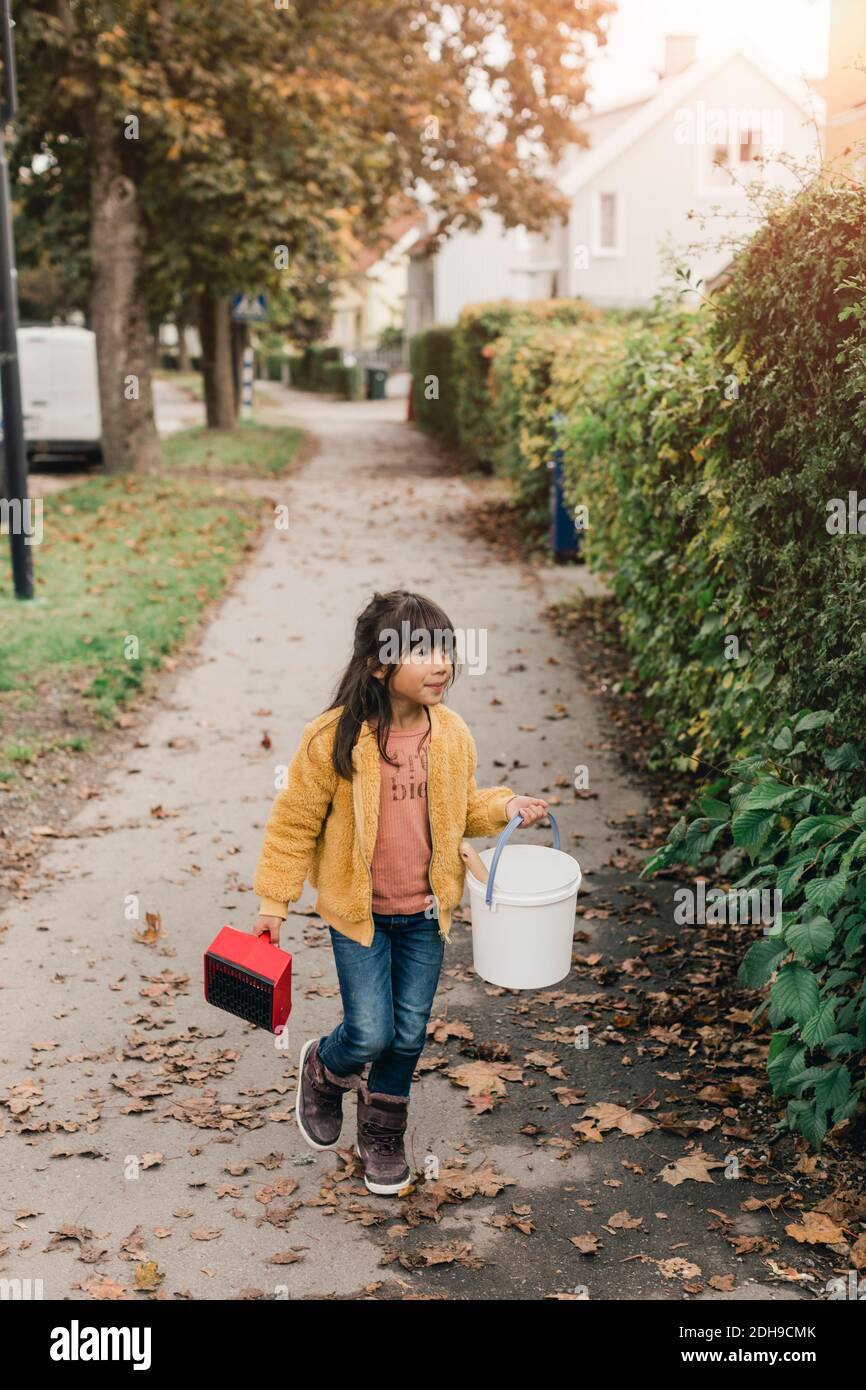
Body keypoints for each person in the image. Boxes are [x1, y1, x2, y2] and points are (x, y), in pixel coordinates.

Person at [250, 590, 548, 1195]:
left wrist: (507, 805)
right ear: (380, 666)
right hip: (359, 916)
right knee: (369, 1031)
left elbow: (462, 808)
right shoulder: (333, 739)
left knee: (409, 1032)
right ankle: (325, 1069)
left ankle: (383, 1130)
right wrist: (273, 903)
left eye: (446, 651)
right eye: (424, 653)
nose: (442, 665)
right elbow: (294, 823)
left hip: (425, 913)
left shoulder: (451, 735)